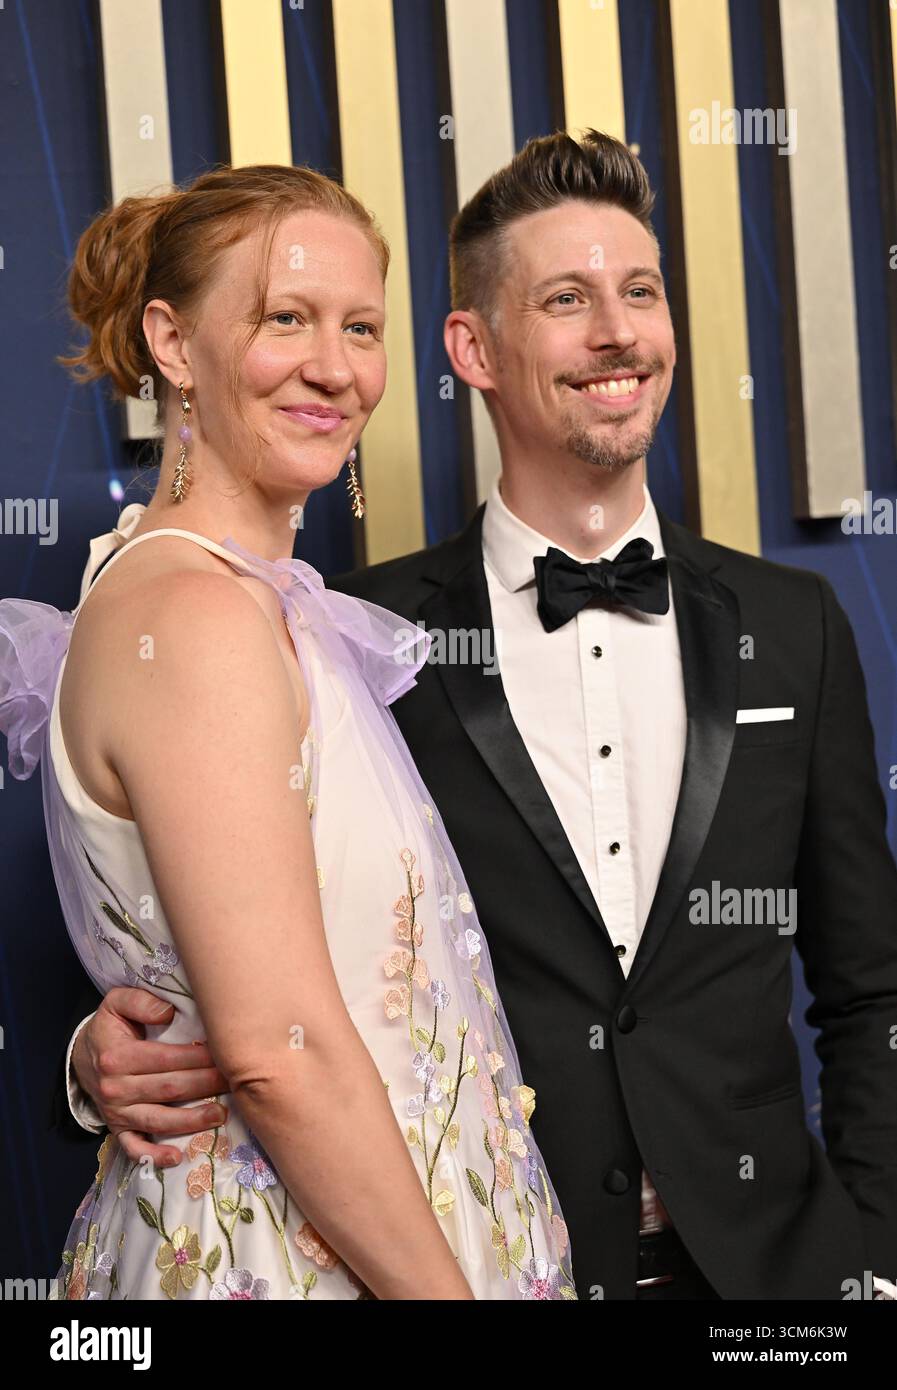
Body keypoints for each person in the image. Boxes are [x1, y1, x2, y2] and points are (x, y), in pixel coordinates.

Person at [60, 131, 897, 1301]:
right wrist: (102, 1053)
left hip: (769, 1278)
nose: (617, 332)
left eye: (641, 292)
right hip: (464, 1256)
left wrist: (872, 1259)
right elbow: (255, 981)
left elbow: (870, 984)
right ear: (473, 347)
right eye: (567, 297)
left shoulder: (794, 624)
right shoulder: (366, 637)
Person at [0, 164, 575, 1301]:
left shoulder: (239, 598)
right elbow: (274, 1051)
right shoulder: (194, 617)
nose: (335, 366)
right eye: (285, 318)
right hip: (290, 1257)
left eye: (360, 326)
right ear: (171, 342)